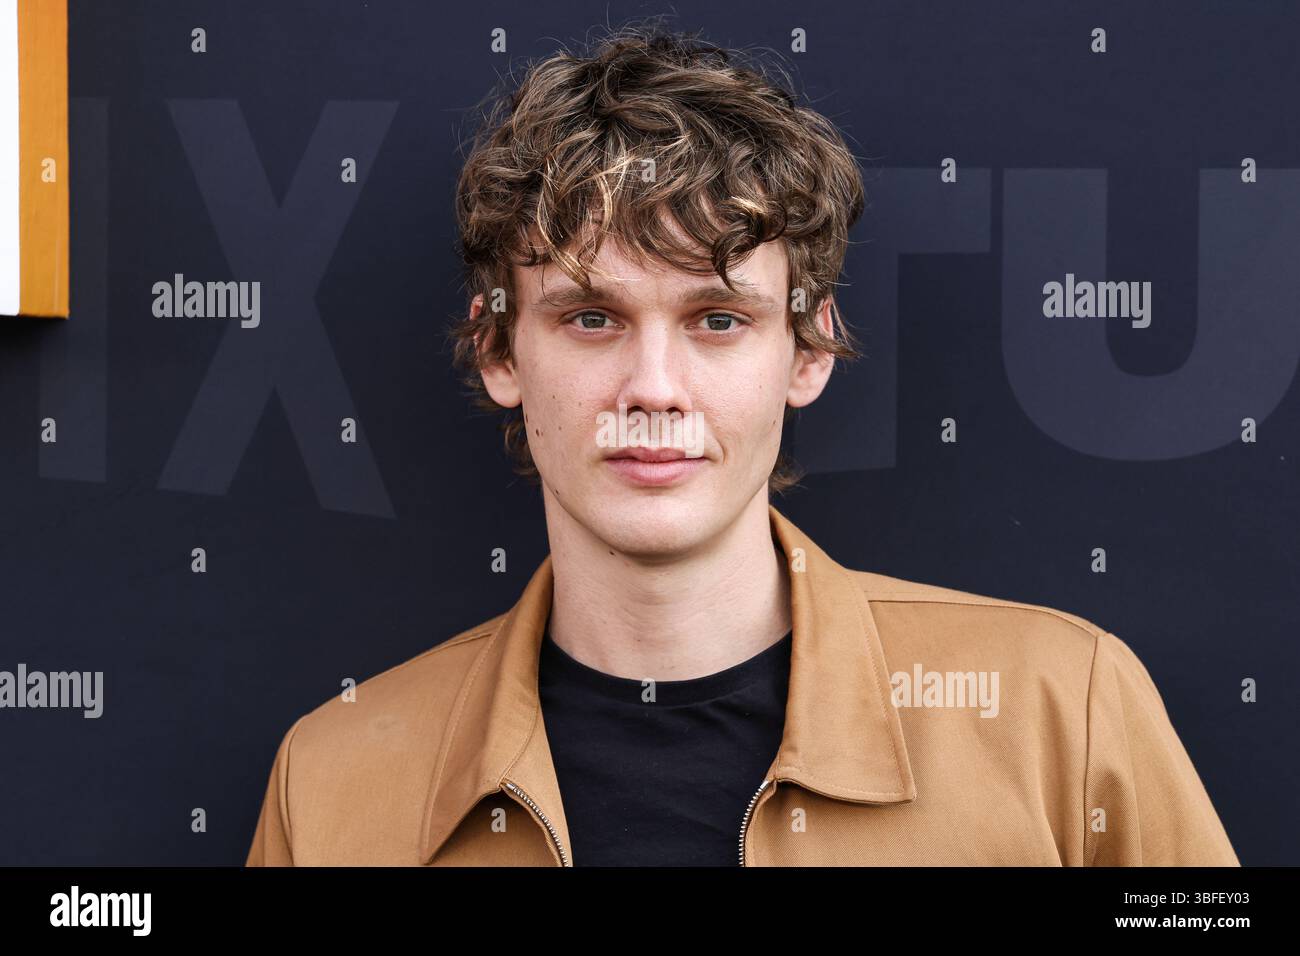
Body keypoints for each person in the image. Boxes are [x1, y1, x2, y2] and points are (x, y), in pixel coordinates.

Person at [245, 22, 1238, 867]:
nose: (653, 389)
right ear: (498, 346)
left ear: (808, 348)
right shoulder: (334, 786)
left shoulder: (1062, 710)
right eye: (591, 317)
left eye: (717, 319)